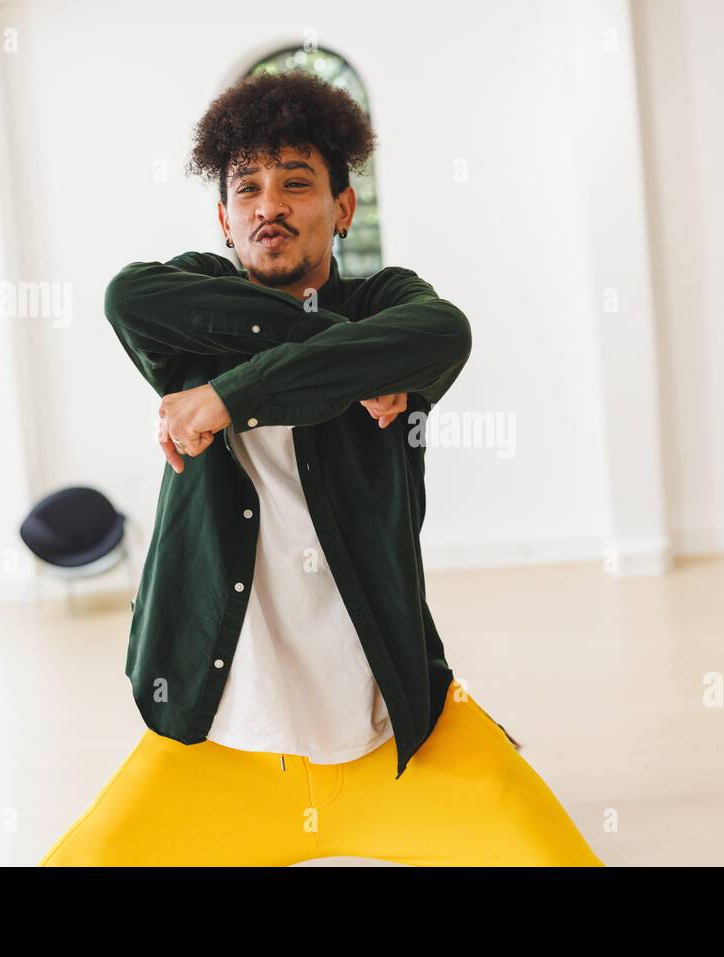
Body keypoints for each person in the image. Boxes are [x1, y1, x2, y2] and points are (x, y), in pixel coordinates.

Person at [38, 69, 603, 866]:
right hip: (218, 738)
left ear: (342, 207)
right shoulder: (188, 306)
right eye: (248, 189)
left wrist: (230, 395)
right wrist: (342, 355)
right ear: (226, 221)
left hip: (399, 733)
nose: (269, 204)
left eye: (296, 183)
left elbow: (444, 332)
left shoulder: (393, 306)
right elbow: (125, 296)